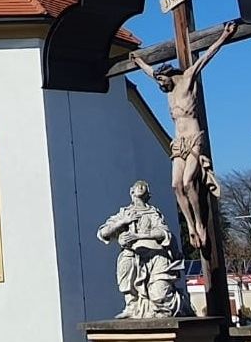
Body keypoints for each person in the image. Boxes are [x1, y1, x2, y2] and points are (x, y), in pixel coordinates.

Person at [131, 20, 236, 252]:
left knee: (189, 182)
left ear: (170, 75)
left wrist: (223, 37)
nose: (160, 85)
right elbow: (150, 73)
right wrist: (138, 61)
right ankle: (190, 225)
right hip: (178, 142)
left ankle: (199, 222)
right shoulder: (167, 90)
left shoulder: (187, 80)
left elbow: (204, 58)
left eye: (162, 80)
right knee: (175, 185)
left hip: (194, 139)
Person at [96, 180, 188, 317]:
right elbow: (103, 233)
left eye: (143, 185)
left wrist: (138, 236)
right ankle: (132, 305)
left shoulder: (153, 213)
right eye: (137, 185)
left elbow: (164, 233)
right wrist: (122, 222)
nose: (140, 185)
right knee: (126, 261)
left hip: (156, 257)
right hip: (133, 256)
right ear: (131, 191)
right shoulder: (124, 213)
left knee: (159, 296)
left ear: (148, 194)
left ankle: (179, 305)